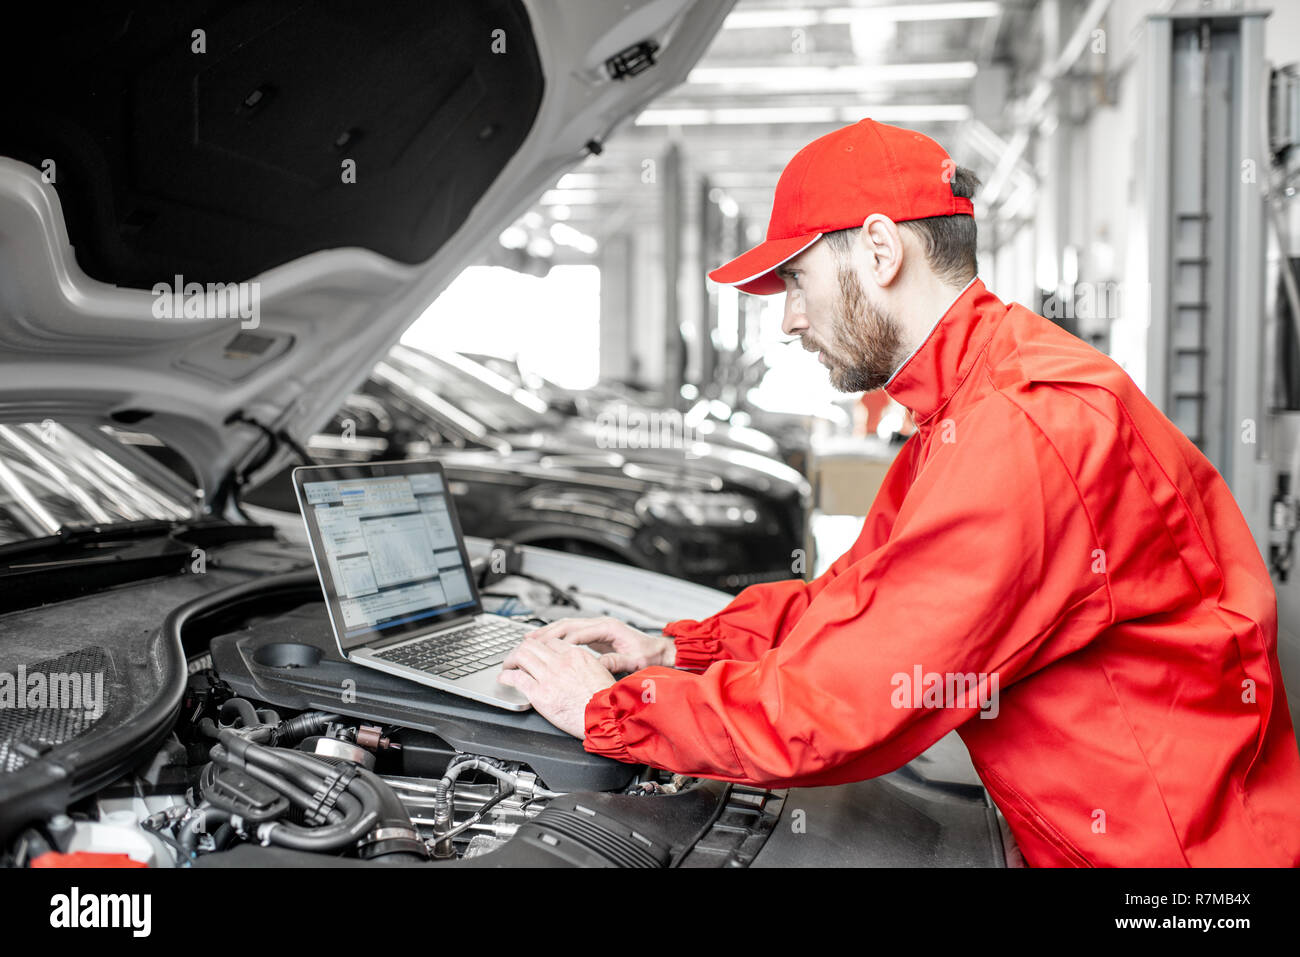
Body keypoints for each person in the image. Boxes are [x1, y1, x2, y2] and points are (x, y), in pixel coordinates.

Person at [498, 118, 1300, 866]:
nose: (790, 321)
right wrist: (676, 649)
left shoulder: (1019, 425)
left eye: (799, 281)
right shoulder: (977, 394)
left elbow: (842, 699)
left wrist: (610, 713)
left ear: (880, 250)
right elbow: (858, 601)